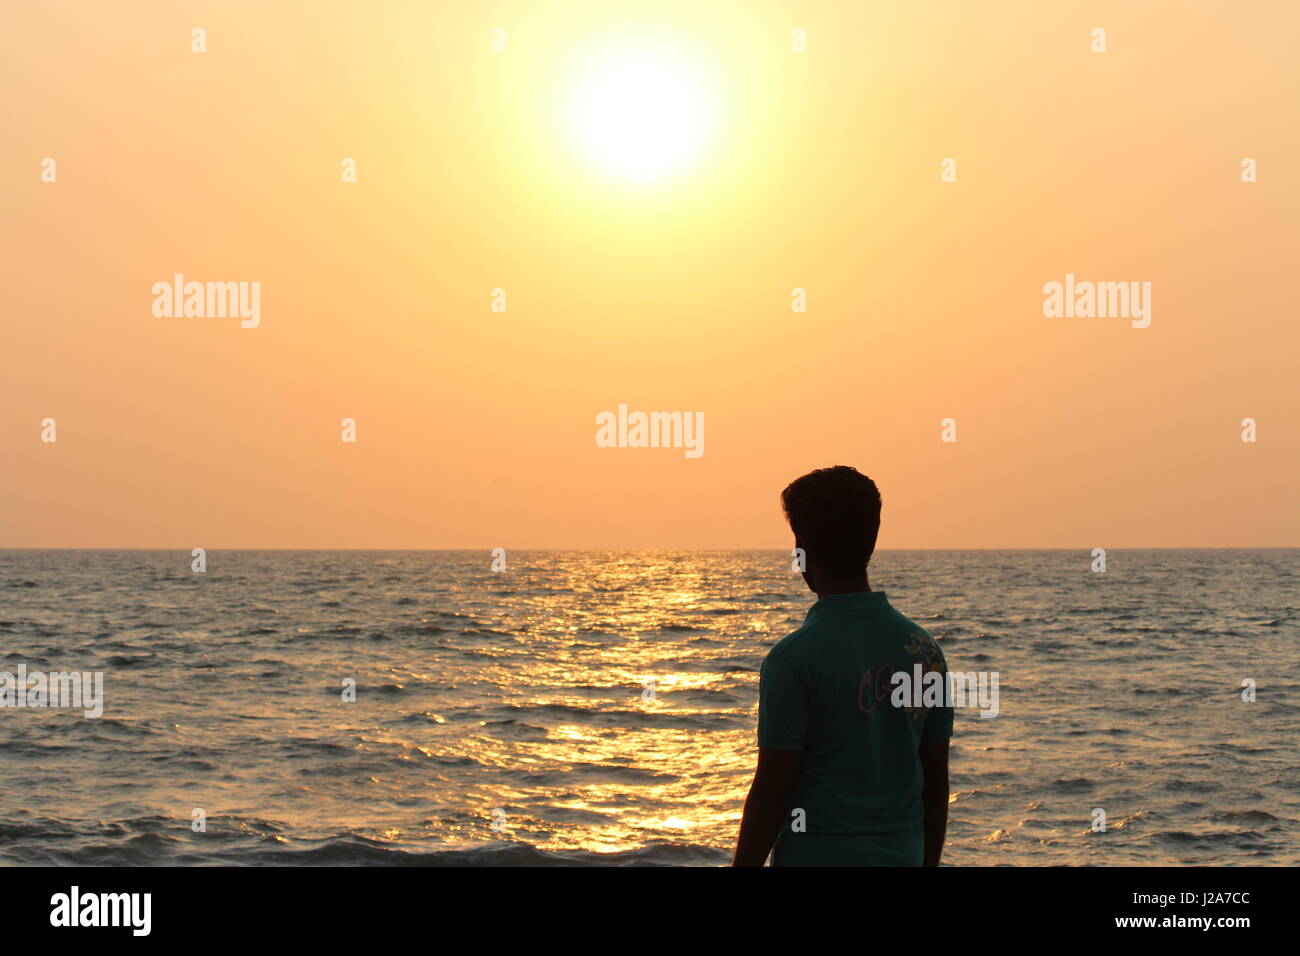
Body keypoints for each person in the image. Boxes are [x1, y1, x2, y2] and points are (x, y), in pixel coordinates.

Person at [733, 465, 953, 866]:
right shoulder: (924, 651)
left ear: (801, 549)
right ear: (871, 540)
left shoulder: (792, 659)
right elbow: (935, 786)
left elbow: (772, 792)